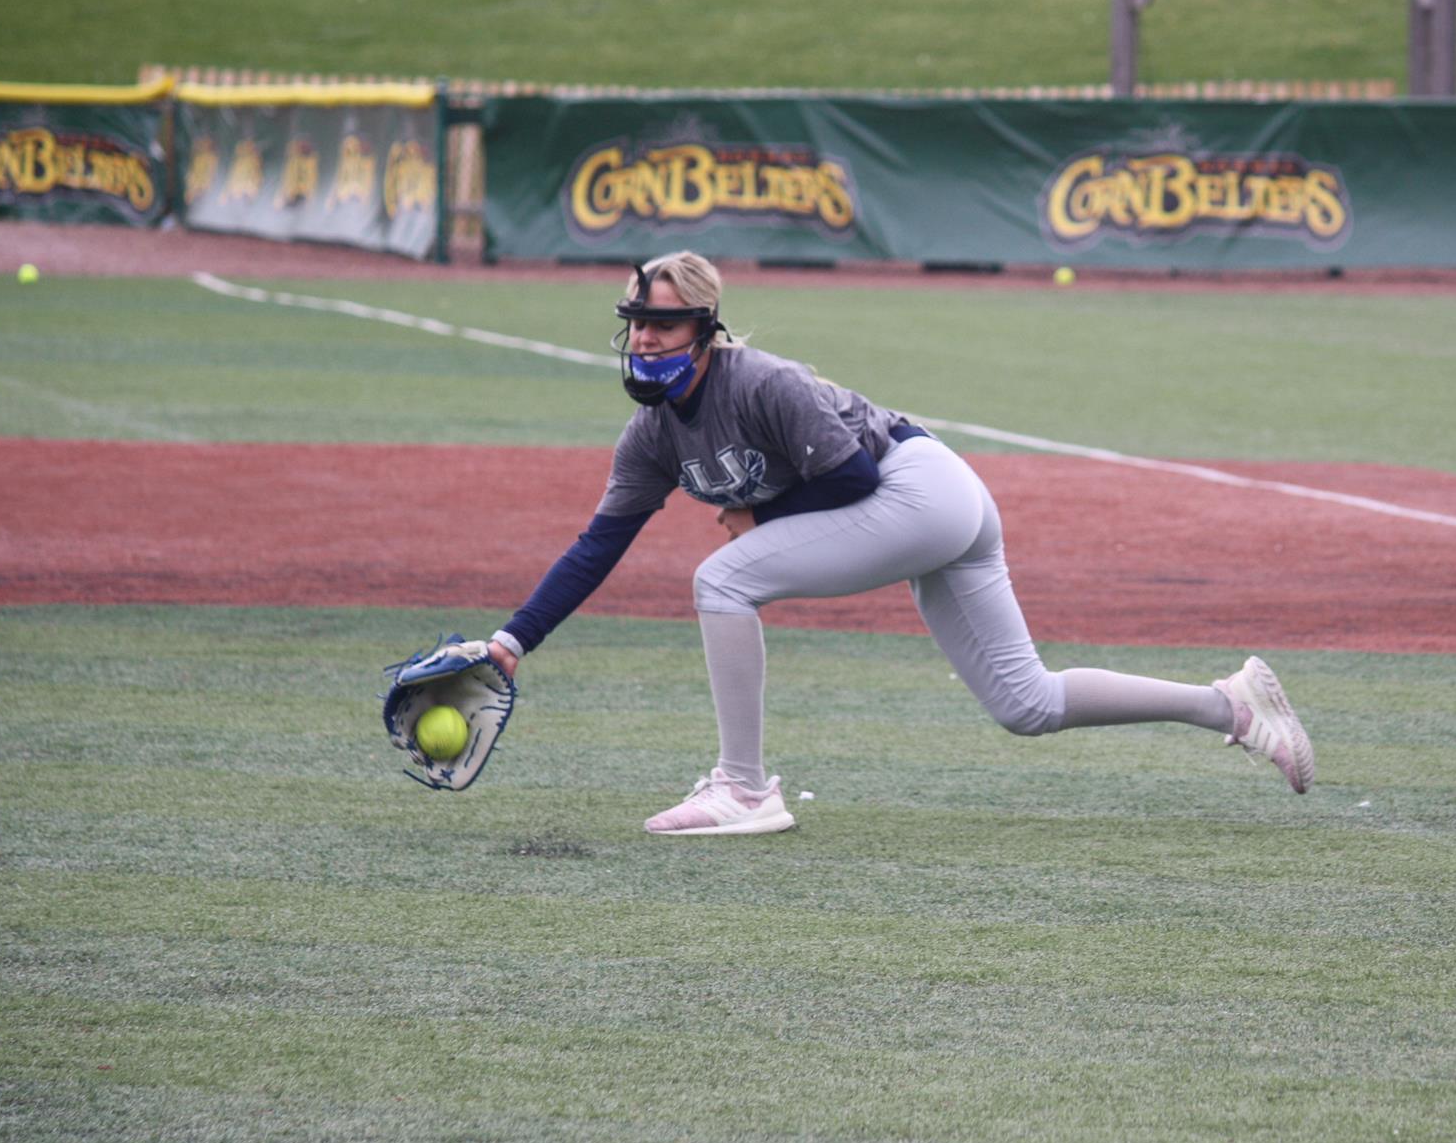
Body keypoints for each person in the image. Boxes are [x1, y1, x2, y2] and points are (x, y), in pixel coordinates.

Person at [484, 251, 1313, 835]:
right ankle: (1234, 705)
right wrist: (513, 639)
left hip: (923, 490)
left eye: (662, 325)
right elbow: (600, 543)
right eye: (635, 323)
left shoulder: (762, 380)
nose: (644, 340)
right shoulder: (652, 435)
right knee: (1026, 704)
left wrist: (761, 520)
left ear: (704, 327)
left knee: (723, 579)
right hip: (933, 512)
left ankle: (743, 788)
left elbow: (849, 481)